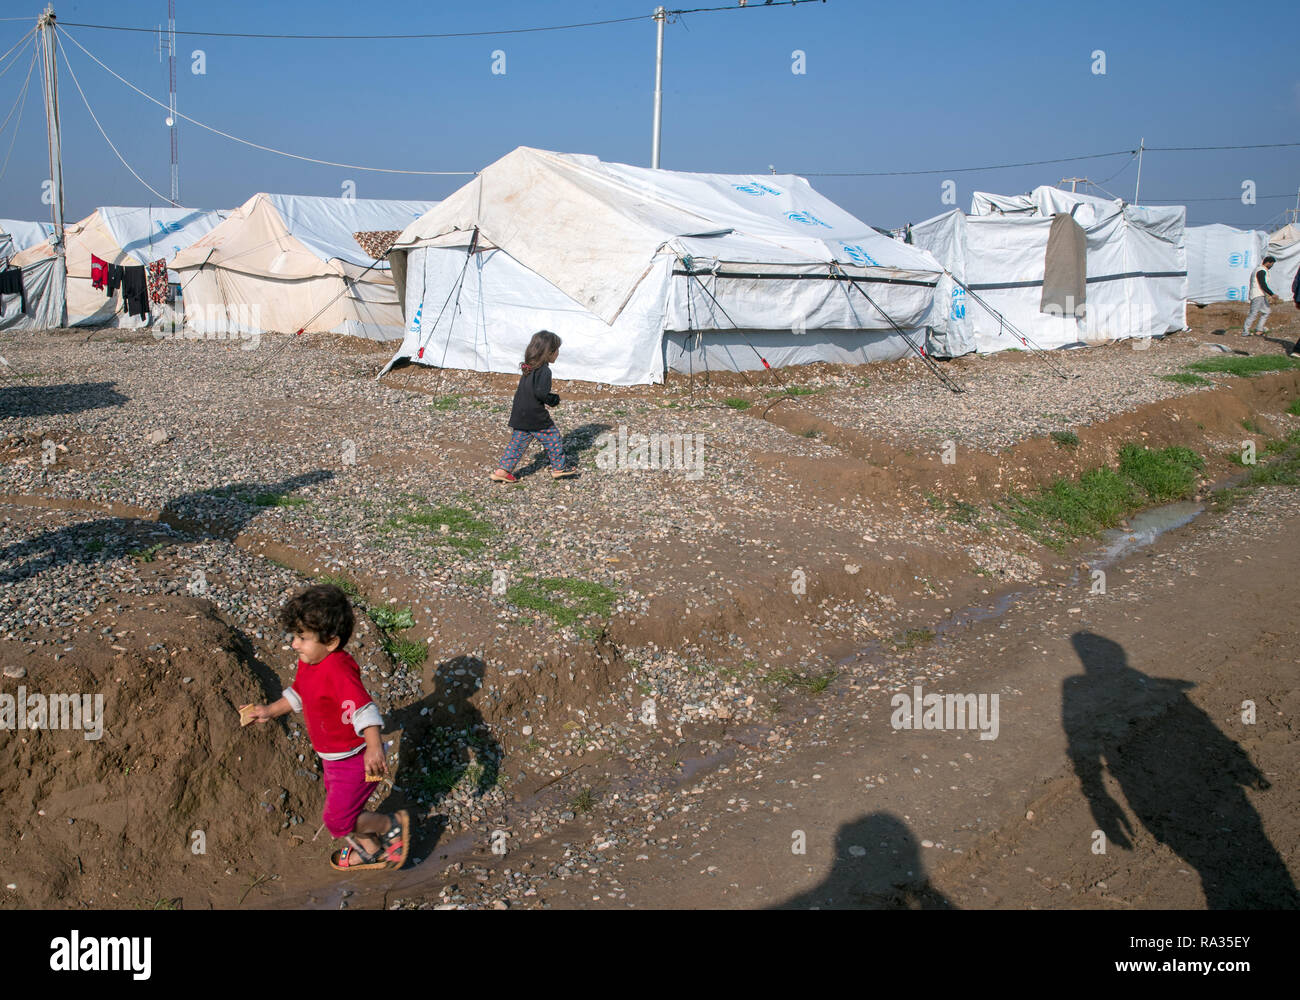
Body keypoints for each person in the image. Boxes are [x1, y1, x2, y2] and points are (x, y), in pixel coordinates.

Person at [244, 584, 409, 871]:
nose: (294, 644)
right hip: (333, 759)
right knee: (343, 812)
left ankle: (390, 824)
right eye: (295, 636)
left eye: (302, 638)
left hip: (356, 759)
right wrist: (270, 710)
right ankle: (372, 849)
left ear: (331, 642)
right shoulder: (309, 662)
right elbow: (299, 693)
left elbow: (364, 709)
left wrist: (373, 748)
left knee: (336, 821)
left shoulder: (338, 670)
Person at [490, 330, 577, 482]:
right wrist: (553, 399)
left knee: (517, 444)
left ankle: (502, 471)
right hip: (535, 416)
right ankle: (559, 468)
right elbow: (541, 393)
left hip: (520, 413)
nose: (558, 353)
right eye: (556, 350)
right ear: (549, 352)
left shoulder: (528, 367)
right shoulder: (544, 371)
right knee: (553, 438)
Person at [1242, 255, 1277, 336]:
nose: (1271, 266)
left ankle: (1259, 329)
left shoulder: (1262, 270)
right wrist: (1272, 294)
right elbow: (1262, 284)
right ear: (1268, 263)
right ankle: (1245, 331)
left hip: (1261, 295)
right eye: (1272, 264)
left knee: (1266, 311)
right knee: (1253, 313)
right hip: (1257, 295)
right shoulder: (1261, 270)